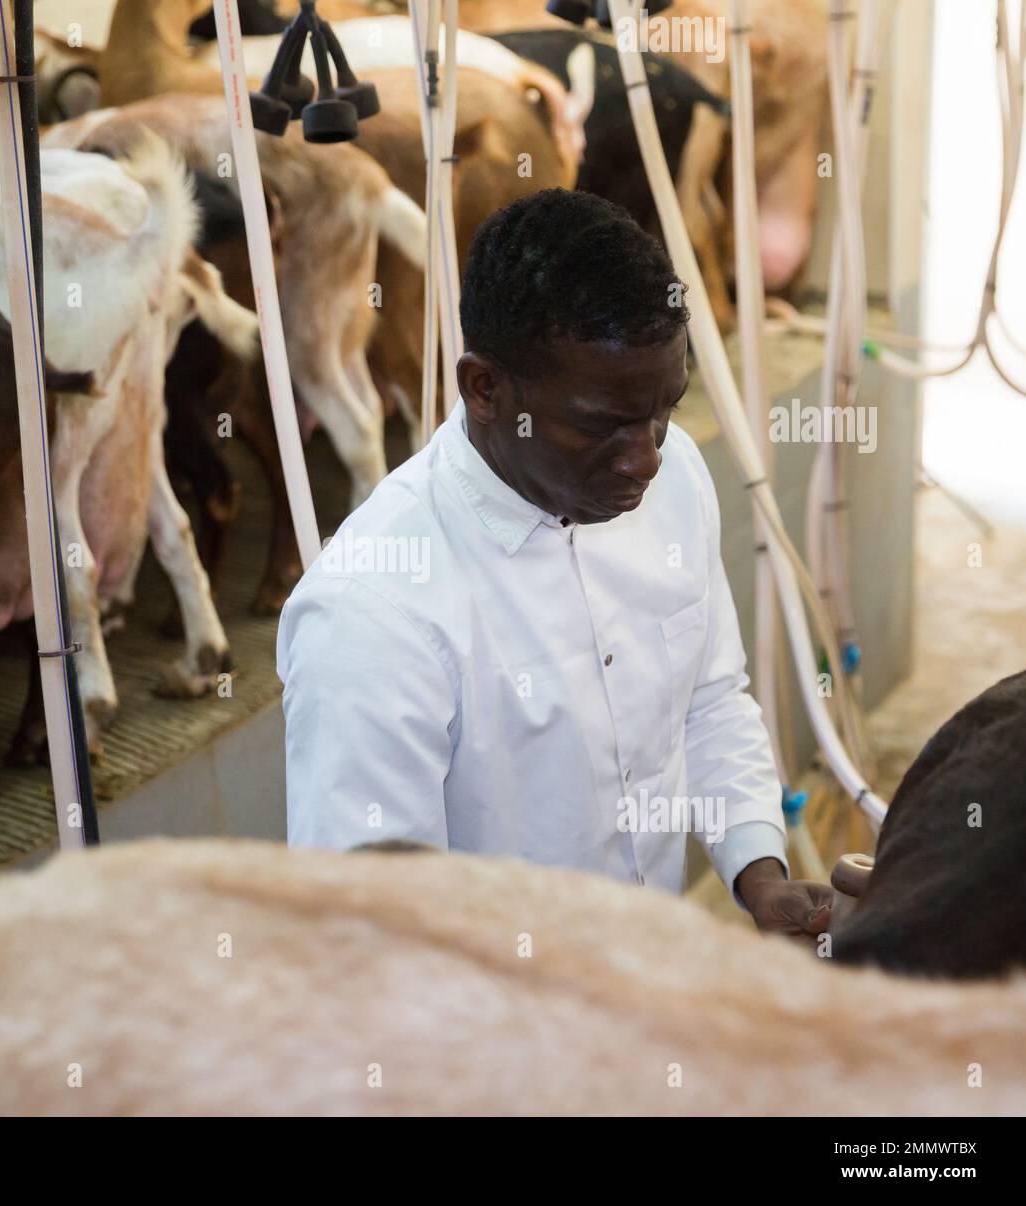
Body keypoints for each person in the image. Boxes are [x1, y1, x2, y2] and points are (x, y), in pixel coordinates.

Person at [277, 189, 831, 941]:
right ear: (486, 390)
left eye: (664, 410)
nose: (645, 458)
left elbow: (709, 701)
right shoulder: (374, 615)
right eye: (603, 426)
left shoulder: (675, 482)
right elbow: (376, 932)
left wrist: (759, 876)